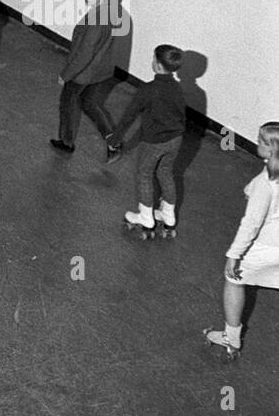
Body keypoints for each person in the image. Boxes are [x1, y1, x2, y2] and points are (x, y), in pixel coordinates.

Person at [203, 122, 279, 360]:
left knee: (233, 280)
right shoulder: (266, 178)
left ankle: (231, 338)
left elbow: (251, 224)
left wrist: (234, 254)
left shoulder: (266, 183)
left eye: (261, 140)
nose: (256, 142)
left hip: (266, 246)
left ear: (271, 148)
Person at [109, 45, 187, 237]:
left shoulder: (149, 89)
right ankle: (168, 217)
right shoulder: (177, 88)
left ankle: (146, 218)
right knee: (166, 173)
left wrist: (115, 139)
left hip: (154, 142)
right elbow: (181, 115)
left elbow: (129, 116)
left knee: (144, 174)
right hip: (176, 139)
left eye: (154, 58)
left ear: (158, 65)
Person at [50, 0, 122, 161]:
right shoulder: (112, 13)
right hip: (100, 72)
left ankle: (66, 142)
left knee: (67, 104)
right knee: (89, 104)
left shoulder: (96, 18)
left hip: (83, 73)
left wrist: (66, 74)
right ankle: (112, 141)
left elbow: (84, 52)